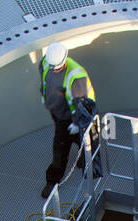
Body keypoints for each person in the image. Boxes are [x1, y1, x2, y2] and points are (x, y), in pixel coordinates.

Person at [39, 42, 98, 198]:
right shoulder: (47, 62)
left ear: (64, 60)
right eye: (53, 67)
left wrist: (76, 123)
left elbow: (82, 104)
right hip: (59, 114)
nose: (55, 70)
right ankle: (58, 177)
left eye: (57, 67)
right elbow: (45, 79)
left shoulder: (75, 75)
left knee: (66, 147)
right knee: (69, 146)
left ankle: (55, 179)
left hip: (75, 118)